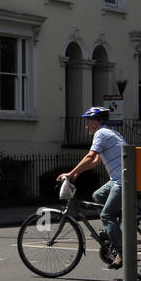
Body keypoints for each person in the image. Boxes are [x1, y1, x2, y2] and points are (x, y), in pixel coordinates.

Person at [58, 106, 126, 270]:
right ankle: (111, 230)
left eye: (88, 122)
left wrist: (71, 172)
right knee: (98, 196)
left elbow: (90, 155)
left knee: (107, 214)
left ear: (96, 122)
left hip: (124, 181)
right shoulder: (109, 133)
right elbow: (96, 160)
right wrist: (77, 173)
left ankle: (122, 252)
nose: (86, 126)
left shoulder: (101, 133)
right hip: (119, 178)